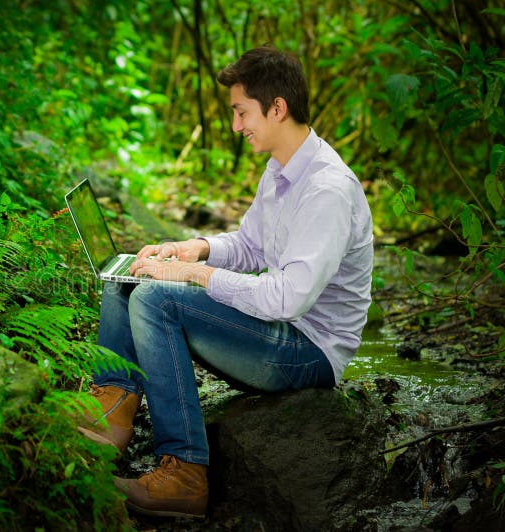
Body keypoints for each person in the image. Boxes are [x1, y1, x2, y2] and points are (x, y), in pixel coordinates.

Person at [77, 45, 373, 518]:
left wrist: (192, 275)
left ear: (277, 108)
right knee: (130, 275)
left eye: (241, 112)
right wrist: (194, 248)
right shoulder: (280, 170)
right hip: (281, 330)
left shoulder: (328, 190)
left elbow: (287, 298)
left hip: (310, 350)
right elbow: (253, 246)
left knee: (157, 301)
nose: (236, 126)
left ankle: (184, 472)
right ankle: (109, 418)